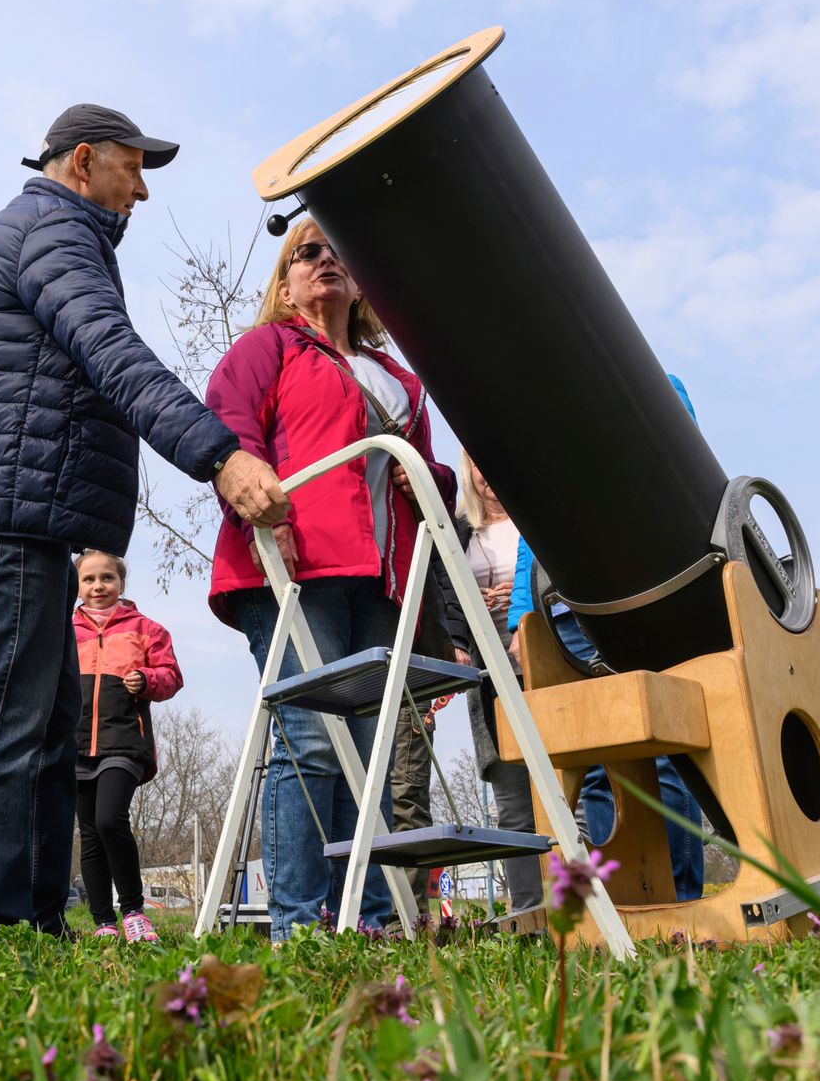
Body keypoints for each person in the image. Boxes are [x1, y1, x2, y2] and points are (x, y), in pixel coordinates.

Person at [0, 104, 287, 943]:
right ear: (83, 162)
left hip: (34, 506)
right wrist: (220, 458)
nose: (144, 191)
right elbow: (113, 354)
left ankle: (38, 916)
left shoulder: (55, 230)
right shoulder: (52, 230)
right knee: (11, 713)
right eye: (135, 168)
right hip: (15, 506)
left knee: (51, 725)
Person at [205, 218, 457, 940]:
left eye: (337, 251)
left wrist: (428, 482)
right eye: (306, 252)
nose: (325, 260)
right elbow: (230, 434)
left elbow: (424, 472)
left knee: (373, 749)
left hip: (380, 579)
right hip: (293, 566)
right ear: (285, 283)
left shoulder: (397, 378)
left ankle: (371, 921)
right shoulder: (266, 348)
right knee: (311, 742)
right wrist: (260, 512)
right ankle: (298, 927)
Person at [506, 374, 706, 901]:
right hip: (569, 611)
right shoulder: (536, 417)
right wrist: (523, 618)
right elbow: (532, 526)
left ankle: (680, 897)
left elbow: (676, 464)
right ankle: (626, 900)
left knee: (664, 752)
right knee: (594, 763)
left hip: (642, 593)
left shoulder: (651, 381)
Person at [451, 453, 546, 916]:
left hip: (543, 663)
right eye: (475, 465)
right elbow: (444, 595)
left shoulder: (539, 518)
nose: (486, 474)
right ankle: (530, 914)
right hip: (489, 677)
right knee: (512, 800)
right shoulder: (459, 530)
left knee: (565, 784)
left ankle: (581, 910)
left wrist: (522, 595)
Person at [71, 550, 182, 943]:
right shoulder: (65, 629)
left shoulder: (146, 628)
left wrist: (147, 679)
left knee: (108, 820)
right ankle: (103, 922)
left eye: (107, 578)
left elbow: (171, 676)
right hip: (78, 744)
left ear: (121, 583)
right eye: (89, 580)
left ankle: (134, 913)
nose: (98, 586)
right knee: (90, 833)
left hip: (124, 743)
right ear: (77, 585)